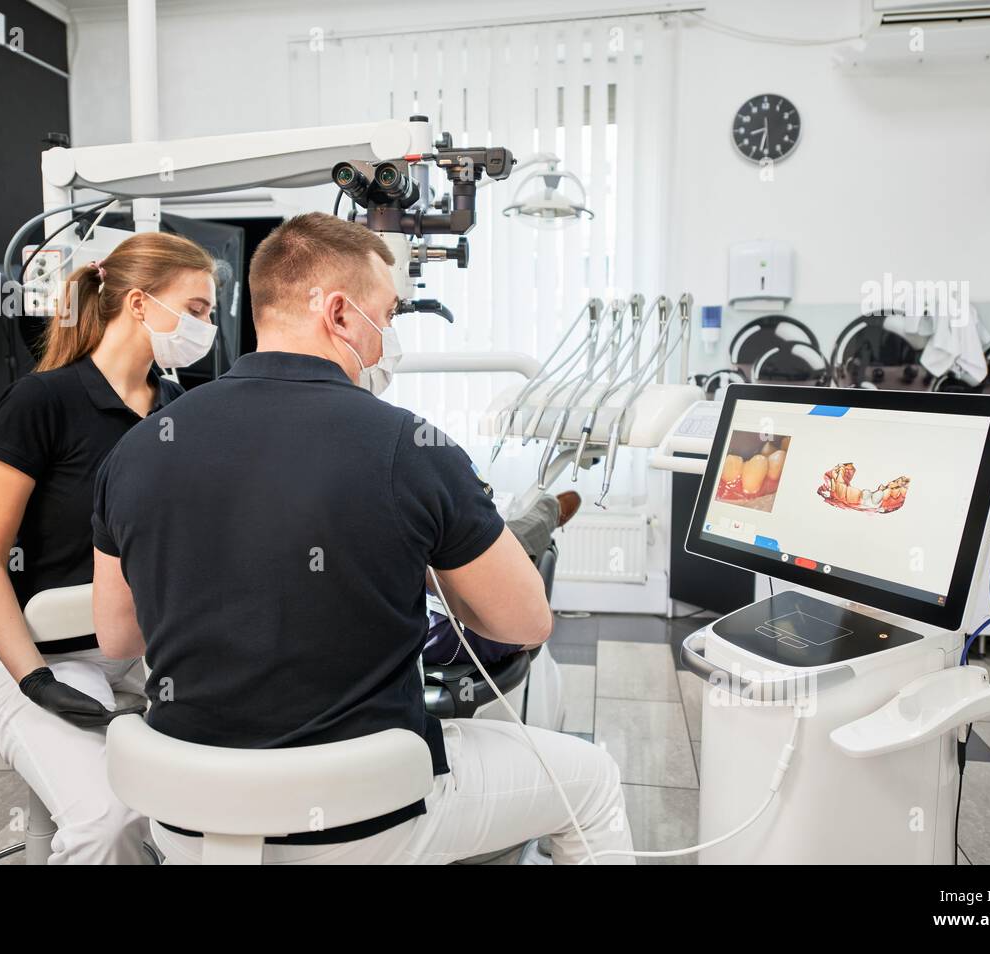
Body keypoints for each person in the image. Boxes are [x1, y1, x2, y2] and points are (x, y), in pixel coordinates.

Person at [92, 212, 633, 864]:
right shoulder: (410, 446)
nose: (390, 338)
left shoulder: (137, 449)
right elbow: (523, 623)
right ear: (341, 314)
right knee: (593, 781)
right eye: (389, 313)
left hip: (188, 816)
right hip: (362, 820)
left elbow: (119, 640)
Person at [0, 232, 218, 864]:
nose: (206, 329)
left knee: (219, 792)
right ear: (137, 304)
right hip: (39, 653)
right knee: (111, 821)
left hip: (142, 644)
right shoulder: (41, 402)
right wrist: (35, 678)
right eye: (197, 310)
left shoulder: (178, 408)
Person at [422, 490, 581, 667]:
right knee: (536, 619)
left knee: (495, 535)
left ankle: (550, 510)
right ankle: (552, 510)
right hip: (425, 629)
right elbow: (539, 627)